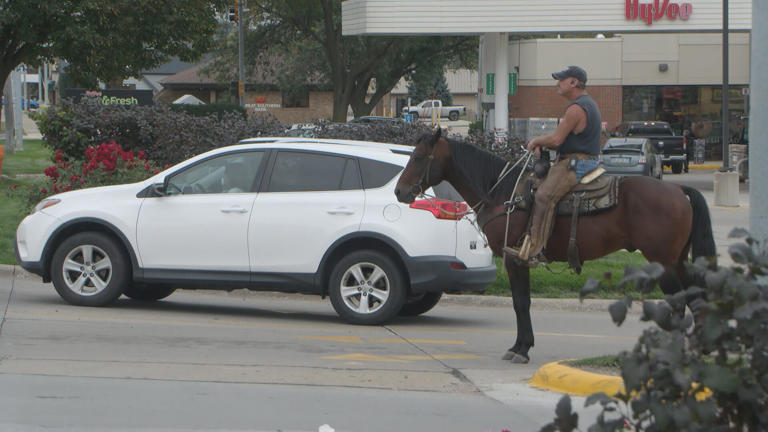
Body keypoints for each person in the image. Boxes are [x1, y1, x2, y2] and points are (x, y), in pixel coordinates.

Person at [516, 66, 602, 266]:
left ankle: (536, 250)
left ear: (574, 82)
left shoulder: (576, 108)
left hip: (577, 163)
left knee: (544, 196)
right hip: (586, 161)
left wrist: (536, 140)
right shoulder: (588, 104)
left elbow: (556, 139)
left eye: (561, 80)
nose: (558, 84)